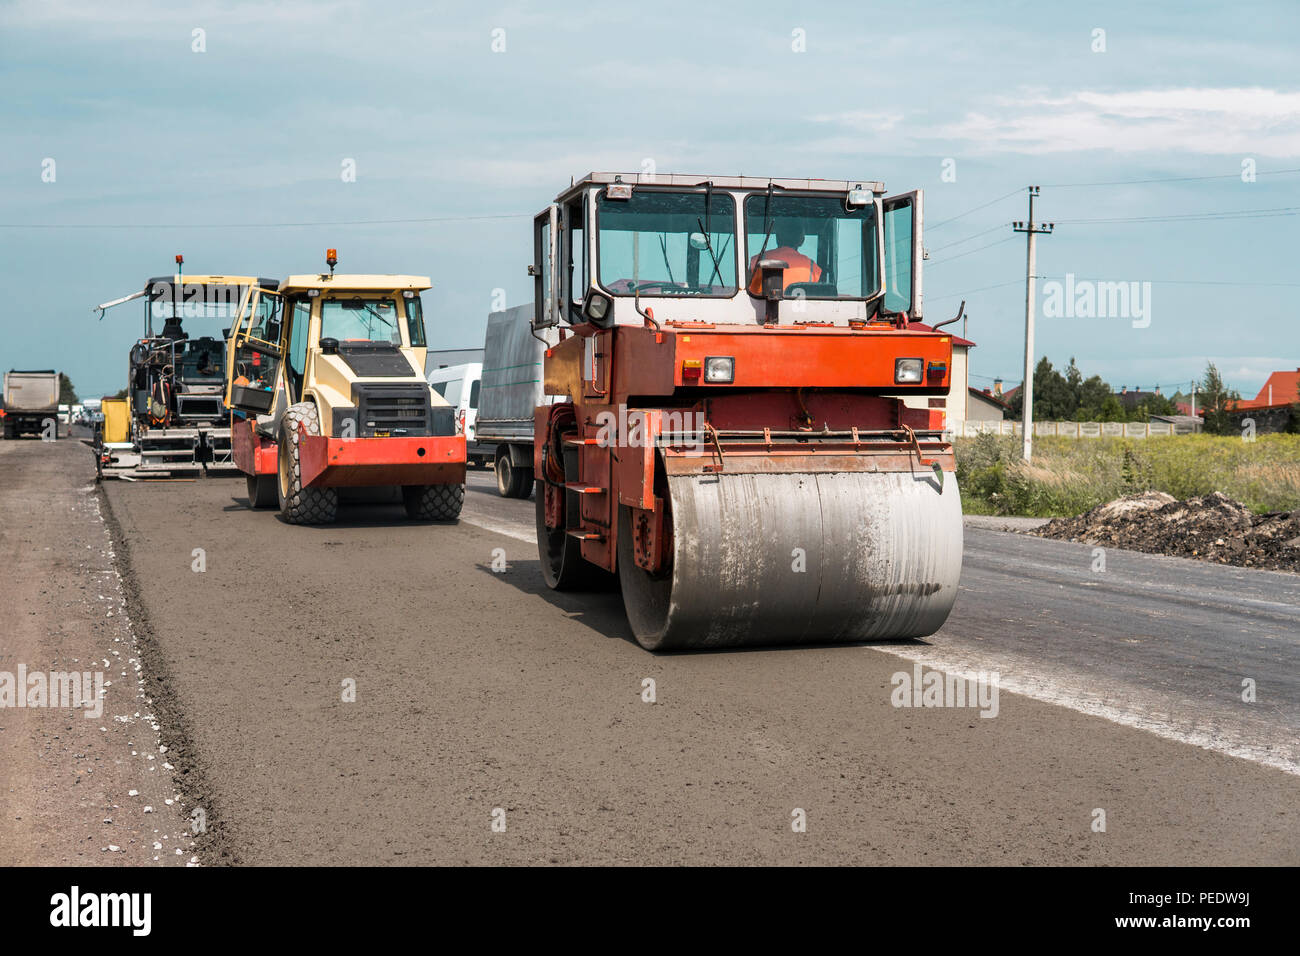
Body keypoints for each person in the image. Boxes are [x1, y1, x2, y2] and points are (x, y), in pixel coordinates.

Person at [747, 220, 823, 295]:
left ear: (777, 238)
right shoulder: (813, 267)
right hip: (801, 306)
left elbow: (748, 293)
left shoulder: (757, 260)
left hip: (760, 307)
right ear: (802, 240)